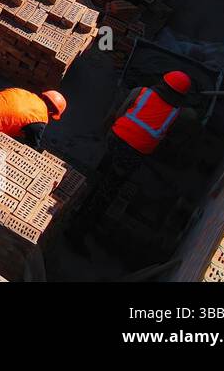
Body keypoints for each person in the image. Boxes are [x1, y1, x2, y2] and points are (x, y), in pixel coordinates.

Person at [66, 71, 191, 251]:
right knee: (106, 193)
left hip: (115, 139)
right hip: (132, 154)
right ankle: (77, 231)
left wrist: (114, 130)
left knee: (100, 178)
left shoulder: (142, 92)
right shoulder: (176, 114)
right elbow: (170, 136)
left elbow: (120, 112)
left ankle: (76, 211)